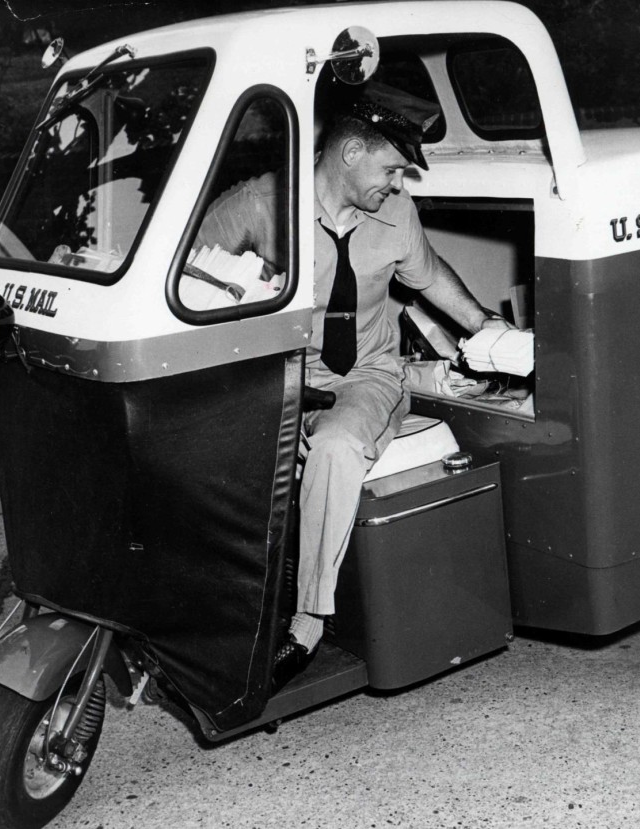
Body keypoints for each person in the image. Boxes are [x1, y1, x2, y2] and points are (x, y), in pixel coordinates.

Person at [194, 82, 512, 690]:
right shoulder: (261, 205)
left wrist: (487, 328)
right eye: (391, 168)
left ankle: (307, 624)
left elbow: (428, 275)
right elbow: (185, 271)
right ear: (351, 153)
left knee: (337, 447)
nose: (398, 183)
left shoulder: (396, 213)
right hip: (277, 375)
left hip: (365, 375)